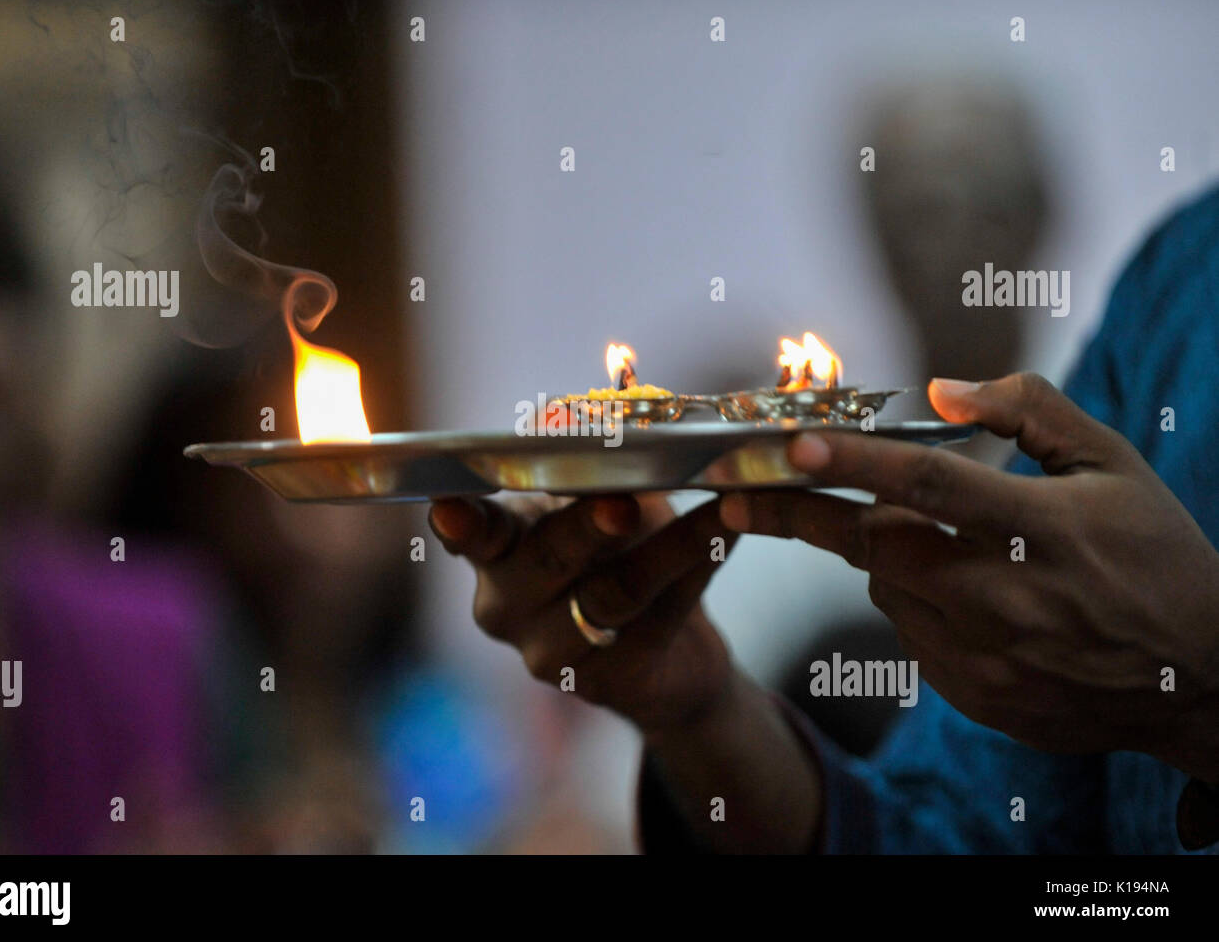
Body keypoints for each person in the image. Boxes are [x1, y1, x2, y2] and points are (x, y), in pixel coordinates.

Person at [428, 184, 1219, 854]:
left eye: (987, 209)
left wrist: (1202, 681)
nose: (947, 248)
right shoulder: (1183, 277)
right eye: (915, 211)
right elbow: (953, 832)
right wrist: (701, 713)